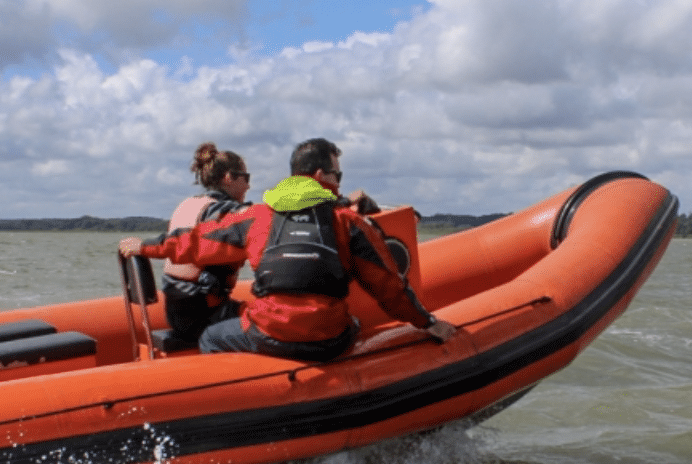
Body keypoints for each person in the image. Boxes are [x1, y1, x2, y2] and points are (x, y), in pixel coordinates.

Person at [119, 138, 458, 361]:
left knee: (210, 338)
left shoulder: (258, 217)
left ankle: (241, 412)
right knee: (352, 323)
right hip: (329, 341)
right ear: (322, 174)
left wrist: (143, 247)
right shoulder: (349, 222)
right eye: (338, 174)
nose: (340, 181)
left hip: (270, 332)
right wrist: (426, 322)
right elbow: (388, 286)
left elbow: (192, 243)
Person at [145, 143, 252, 351]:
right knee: (269, 324)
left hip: (177, 312)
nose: (248, 186)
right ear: (229, 177)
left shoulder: (188, 204)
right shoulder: (223, 212)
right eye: (245, 178)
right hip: (206, 316)